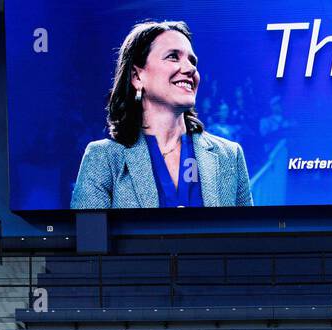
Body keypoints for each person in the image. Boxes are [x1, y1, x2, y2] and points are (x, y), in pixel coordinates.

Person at [70, 20, 253, 209]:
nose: (190, 69)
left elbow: (249, 237)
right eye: (173, 57)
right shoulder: (104, 158)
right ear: (137, 76)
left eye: (192, 61)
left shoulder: (230, 156)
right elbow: (89, 236)